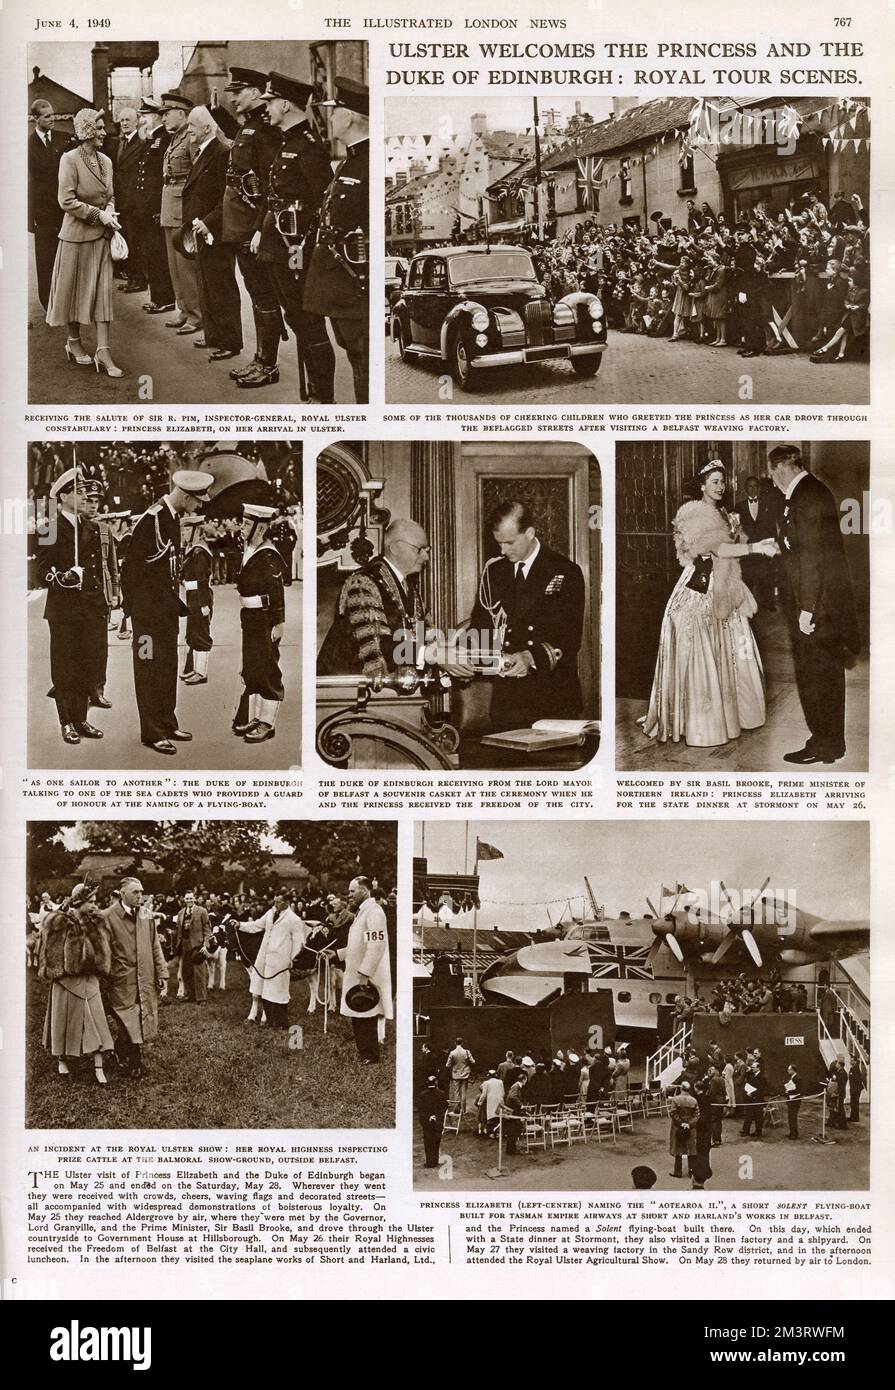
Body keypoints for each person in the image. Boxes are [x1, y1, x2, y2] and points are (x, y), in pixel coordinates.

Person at [640, 460, 778, 748]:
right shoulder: (692, 513)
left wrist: (741, 534)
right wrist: (756, 547)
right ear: (702, 485)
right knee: (701, 648)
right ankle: (702, 722)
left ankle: (734, 715)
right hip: (700, 589)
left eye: (722, 481)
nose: (720, 486)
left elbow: (730, 548)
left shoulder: (723, 513)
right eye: (714, 481)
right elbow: (719, 549)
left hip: (726, 585)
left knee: (736, 648)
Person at [458, 500, 586, 732]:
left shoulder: (564, 571)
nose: (503, 551)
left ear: (529, 533)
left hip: (552, 695)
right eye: (499, 543)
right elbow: (481, 626)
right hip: (508, 697)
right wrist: (465, 657)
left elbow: (570, 637)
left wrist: (530, 657)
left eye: (509, 542)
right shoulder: (494, 572)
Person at [768, 444, 860, 764]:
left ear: (781, 467)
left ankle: (826, 743)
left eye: (773, 473)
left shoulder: (806, 496)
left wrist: (807, 609)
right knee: (822, 675)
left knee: (818, 677)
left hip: (818, 607)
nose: (773, 479)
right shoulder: (812, 491)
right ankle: (827, 741)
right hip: (822, 603)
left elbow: (813, 560)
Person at [254, 72, 336, 398]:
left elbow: (323, 204)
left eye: (271, 102)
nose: (267, 108)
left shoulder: (309, 149)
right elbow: (275, 197)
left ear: (286, 104)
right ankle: (317, 391)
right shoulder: (286, 144)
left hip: (296, 247)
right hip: (280, 244)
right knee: (296, 317)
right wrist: (263, 231)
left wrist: (304, 248)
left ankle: (322, 395)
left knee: (308, 320)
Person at [121, 469, 214, 754]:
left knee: (167, 667)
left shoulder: (170, 518)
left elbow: (167, 570)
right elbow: (131, 570)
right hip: (147, 617)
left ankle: (166, 720)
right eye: (198, 501)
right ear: (186, 495)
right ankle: (152, 731)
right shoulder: (152, 520)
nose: (200, 506)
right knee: (149, 669)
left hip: (165, 613)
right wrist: (136, 614)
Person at [303, 77, 369, 403]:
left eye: (335, 111)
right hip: (338, 281)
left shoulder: (367, 163)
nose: (330, 118)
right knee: (354, 354)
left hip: (355, 284)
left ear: (350, 117)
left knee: (362, 359)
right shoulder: (350, 160)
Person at [218, 68, 286, 387]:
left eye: (239, 91)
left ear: (257, 93)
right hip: (240, 224)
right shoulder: (249, 127)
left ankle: (268, 364)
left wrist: (260, 228)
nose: (232, 97)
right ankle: (261, 358)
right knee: (257, 294)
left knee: (263, 295)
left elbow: (272, 185)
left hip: (253, 226)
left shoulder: (265, 130)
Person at [46, 108, 123, 377]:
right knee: (72, 292)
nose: (105, 132)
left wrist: (110, 211)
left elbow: (111, 194)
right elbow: (65, 201)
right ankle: (74, 342)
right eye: (100, 128)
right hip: (75, 237)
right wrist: (97, 214)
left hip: (101, 237)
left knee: (103, 294)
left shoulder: (106, 161)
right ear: (87, 131)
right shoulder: (69, 160)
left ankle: (103, 350)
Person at [37, 467, 110, 745]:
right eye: (78, 492)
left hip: (89, 609)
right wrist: (63, 577)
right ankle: (66, 721)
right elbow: (41, 570)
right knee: (65, 667)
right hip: (64, 611)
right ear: (64, 496)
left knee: (86, 665)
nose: (83, 497)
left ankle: (81, 718)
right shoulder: (49, 527)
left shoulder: (90, 527)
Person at [317, 519, 432, 679]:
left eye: (427, 550)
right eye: (419, 549)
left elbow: (425, 635)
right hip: (345, 690)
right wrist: (431, 654)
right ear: (395, 548)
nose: (426, 557)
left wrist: (447, 654)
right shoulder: (362, 583)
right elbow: (377, 646)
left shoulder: (409, 588)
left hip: (392, 691)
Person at [181, 106, 242, 362]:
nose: (189, 130)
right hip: (201, 230)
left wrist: (209, 222)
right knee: (206, 284)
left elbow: (225, 197)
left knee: (221, 286)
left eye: (193, 126)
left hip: (214, 232)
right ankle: (214, 335)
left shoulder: (221, 152)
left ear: (207, 128)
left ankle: (230, 341)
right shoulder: (205, 151)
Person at [38, 884, 113, 1085]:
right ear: (79, 902)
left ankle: (99, 1067)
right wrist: (60, 973)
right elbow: (50, 952)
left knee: (96, 1020)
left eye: (95, 902)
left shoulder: (95, 923)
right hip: (66, 980)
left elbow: (102, 951)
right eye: (90, 902)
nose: (94, 906)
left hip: (89, 979)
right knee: (63, 1020)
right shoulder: (58, 921)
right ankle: (62, 1058)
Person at [232, 504, 288, 743]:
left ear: (261, 527)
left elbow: (277, 591)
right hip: (251, 617)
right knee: (253, 666)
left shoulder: (268, 554)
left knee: (267, 668)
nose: (242, 527)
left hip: (265, 618)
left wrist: (279, 622)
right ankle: (255, 717)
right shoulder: (249, 549)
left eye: (247, 524)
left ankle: (267, 723)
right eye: (243, 522)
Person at [103, 877, 168, 1079]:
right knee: (127, 1018)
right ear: (122, 894)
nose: (140, 896)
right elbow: (103, 952)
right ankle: (135, 1062)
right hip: (122, 980)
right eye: (135, 892)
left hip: (145, 976)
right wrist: (110, 974)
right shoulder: (108, 916)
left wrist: (162, 972)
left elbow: (155, 945)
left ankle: (120, 1051)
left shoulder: (146, 914)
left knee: (139, 1017)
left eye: (141, 892)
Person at [336, 877, 393, 1063]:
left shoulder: (374, 913)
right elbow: (358, 945)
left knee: (366, 1013)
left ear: (364, 890)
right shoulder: (363, 912)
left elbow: (376, 946)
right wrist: (336, 955)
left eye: (352, 891)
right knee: (359, 1013)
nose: (349, 895)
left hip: (366, 974)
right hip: (358, 972)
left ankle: (370, 1055)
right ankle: (364, 1053)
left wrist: (365, 973)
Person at [159, 92, 202, 336]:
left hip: (182, 204)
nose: (163, 118)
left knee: (186, 264)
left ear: (181, 114)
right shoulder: (175, 138)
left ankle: (196, 315)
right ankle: (184, 309)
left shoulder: (190, 137)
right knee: (174, 264)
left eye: (167, 114)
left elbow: (196, 173)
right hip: (170, 203)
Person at [239, 893, 309, 1029]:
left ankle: (281, 1023)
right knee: (264, 989)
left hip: (281, 959)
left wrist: (292, 959)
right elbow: (256, 925)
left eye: (279, 902)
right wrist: (239, 925)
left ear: (287, 902)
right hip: (265, 956)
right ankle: (270, 1021)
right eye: (274, 902)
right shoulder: (270, 913)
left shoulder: (293, 919)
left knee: (279, 991)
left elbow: (299, 941)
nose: (275, 905)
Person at [131, 98, 175, 315]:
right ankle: (158, 296)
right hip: (147, 209)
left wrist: (158, 207)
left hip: (155, 209)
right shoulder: (152, 139)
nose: (142, 120)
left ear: (156, 116)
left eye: (145, 116)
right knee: (151, 254)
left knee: (158, 255)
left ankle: (164, 298)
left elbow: (162, 177)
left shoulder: (163, 139)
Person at [29, 99, 68, 310]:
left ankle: (65, 302)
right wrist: (30, 219)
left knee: (65, 259)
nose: (51, 119)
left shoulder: (65, 139)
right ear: (36, 118)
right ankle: (49, 304)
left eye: (52, 114)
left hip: (64, 210)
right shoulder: (27, 145)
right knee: (45, 261)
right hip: (42, 214)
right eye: (46, 116)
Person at [735, 475, 781, 610]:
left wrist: (773, 548)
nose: (753, 489)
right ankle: (747, 605)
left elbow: (772, 528)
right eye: (750, 486)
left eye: (756, 486)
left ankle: (768, 604)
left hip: (764, 548)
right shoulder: (739, 506)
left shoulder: (767, 505)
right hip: (748, 548)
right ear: (745, 489)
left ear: (759, 488)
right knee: (747, 576)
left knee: (766, 576)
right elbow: (737, 529)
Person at [112, 106, 145, 293]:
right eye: (122, 120)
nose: (124, 123)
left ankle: (138, 279)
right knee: (126, 239)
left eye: (127, 120)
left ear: (136, 122)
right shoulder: (118, 143)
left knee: (135, 241)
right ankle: (131, 277)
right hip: (121, 201)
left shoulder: (140, 144)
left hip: (133, 201)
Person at [179, 517, 215, 686]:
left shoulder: (199, 553)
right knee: (193, 633)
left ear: (196, 531)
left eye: (187, 530)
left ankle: (201, 672)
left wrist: (204, 604)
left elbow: (202, 580)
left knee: (201, 634)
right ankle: (195, 669)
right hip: (193, 599)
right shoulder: (192, 551)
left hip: (200, 599)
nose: (184, 533)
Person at [171, 891, 212, 1005]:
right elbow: (179, 930)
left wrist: (205, 944)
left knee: (199, 972)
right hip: (184, 943)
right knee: (186, 971)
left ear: (194, 899)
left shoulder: (202, 911)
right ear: (184, 900)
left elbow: (207, 929)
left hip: (197, 945)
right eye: (187, 898)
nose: (189, 900)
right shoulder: (181, 913)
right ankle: (191, 995)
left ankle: (201, 998)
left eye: (191, 898)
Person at [668, 1081, 700, 1178]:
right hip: (690, 1128)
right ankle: (692, 1171)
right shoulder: (694, 1100)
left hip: (678, 1127)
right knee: (691, 1149)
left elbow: (673, 1113)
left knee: (678, 1149)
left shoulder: (676, 1099)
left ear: (681, 1088)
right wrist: (689, 1124)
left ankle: (678, 1172)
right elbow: (697, 1115)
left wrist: (681, 1123)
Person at [419, 1075, 448, 1168]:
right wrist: (437, 1115)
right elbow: (445, 1106)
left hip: (427, 1121)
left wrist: (428, 1116)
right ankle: (435, 1161)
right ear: (436, 1083)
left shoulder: (422, 1094)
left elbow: (421, 1108)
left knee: (428, 1142)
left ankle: (429, 1162)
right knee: (436, 1141)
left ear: (427, 1083)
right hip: (438, 1121)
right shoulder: (441, 1093)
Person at [446, 1037, 476, 1113]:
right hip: (465, 1074)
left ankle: (457, 1110)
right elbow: (473, 1062)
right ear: (462, 1043)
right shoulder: (466, 1052)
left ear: (455, 1043)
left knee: (456, 1092)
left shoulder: (452, 1053)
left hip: (456, 1074)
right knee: (464, 1092)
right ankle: (464, 1110)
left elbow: (447, 1065)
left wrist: (454, 1064)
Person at [501, 1072, 527, 1154]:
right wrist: (520, 1105)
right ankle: (511, 1149)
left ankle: (512, 1148)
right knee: (513, 1131)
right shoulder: (516, 1086)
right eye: (525, 1080)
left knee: (514, 1130)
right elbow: (512, 1096)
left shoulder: (516, 1086)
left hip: (513, 1111)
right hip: (512, 1111)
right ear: (523, 1080)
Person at [740, 1061, 768, 1137]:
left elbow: (761, 1089)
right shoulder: (752, 1075)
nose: (752, 1068)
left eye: (753, 1067)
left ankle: (758, 1132)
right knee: (748, 1115)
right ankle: (746, 1130)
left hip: (757, 1099)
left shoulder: (762, 1077)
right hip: (750, 1099)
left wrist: (752, 1093)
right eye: (751, 1067)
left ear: (758, 1068)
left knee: (758, 1116)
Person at [475, 1070, 505, 1137]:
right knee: (498, 1116)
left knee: (491, 1116)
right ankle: (497, 1131)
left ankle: (492, 1132)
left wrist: (480, 1102)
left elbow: (484, 1094)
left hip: (491, 1101)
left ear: (489, 1075)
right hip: (499, 1100)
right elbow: (503, 1093)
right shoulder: (500, 1082)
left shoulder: (486, 1083)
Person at [784, 1064, 803, 1139]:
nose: (788, 1071)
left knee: (793, 1117)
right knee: (790, 1117)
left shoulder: (798, 1078)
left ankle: (794, 1134)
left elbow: (798, 1090)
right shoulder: (792, 1078)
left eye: (789, 1069)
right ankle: (792, 1132)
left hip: (795, 1100)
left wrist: (788, 1092)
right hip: (790, 1099)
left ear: (793, 1070)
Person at [848, 1055, 865, 1123]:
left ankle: (855, 1118)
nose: (851, 1061)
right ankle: (853, 1117)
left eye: (852, 1060)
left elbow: (858, 1080)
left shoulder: (855, 1069)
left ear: (855, 1061)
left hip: (855, 1089)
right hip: (854, 1088)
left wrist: (855, 1089)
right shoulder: (853, 1068)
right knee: (853, 1103)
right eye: (850, 1060)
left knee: (855, 1103)